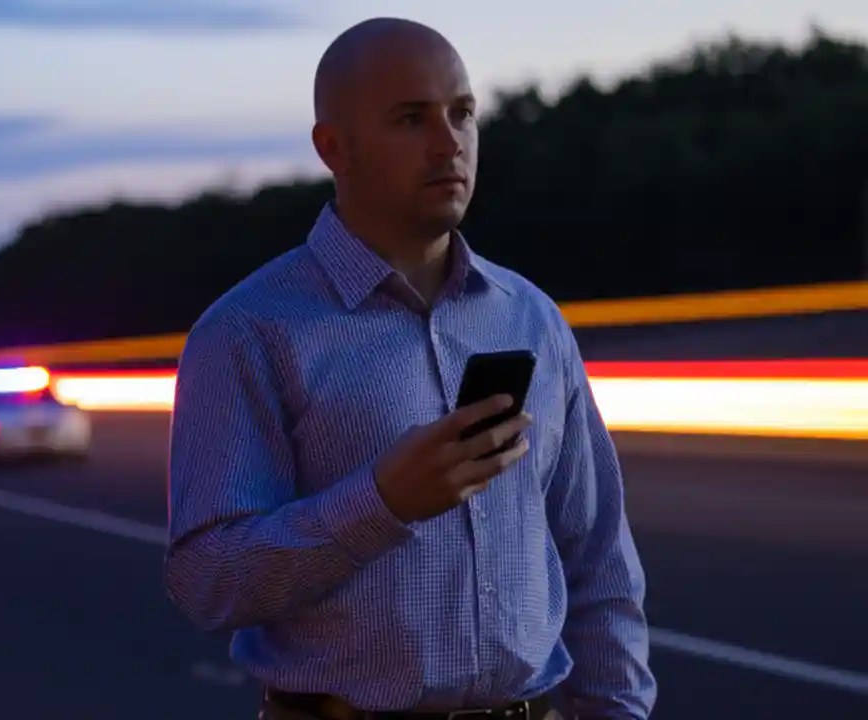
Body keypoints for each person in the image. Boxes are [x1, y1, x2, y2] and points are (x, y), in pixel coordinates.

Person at [164, 16, 656, 720]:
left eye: (462, 114)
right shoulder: (248, 331)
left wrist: (620, 711)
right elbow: (207, 579)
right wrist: (382, 501)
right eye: (411, 119)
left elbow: (597, 555)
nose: (448, 142)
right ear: (335, 148)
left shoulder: (531, 318)